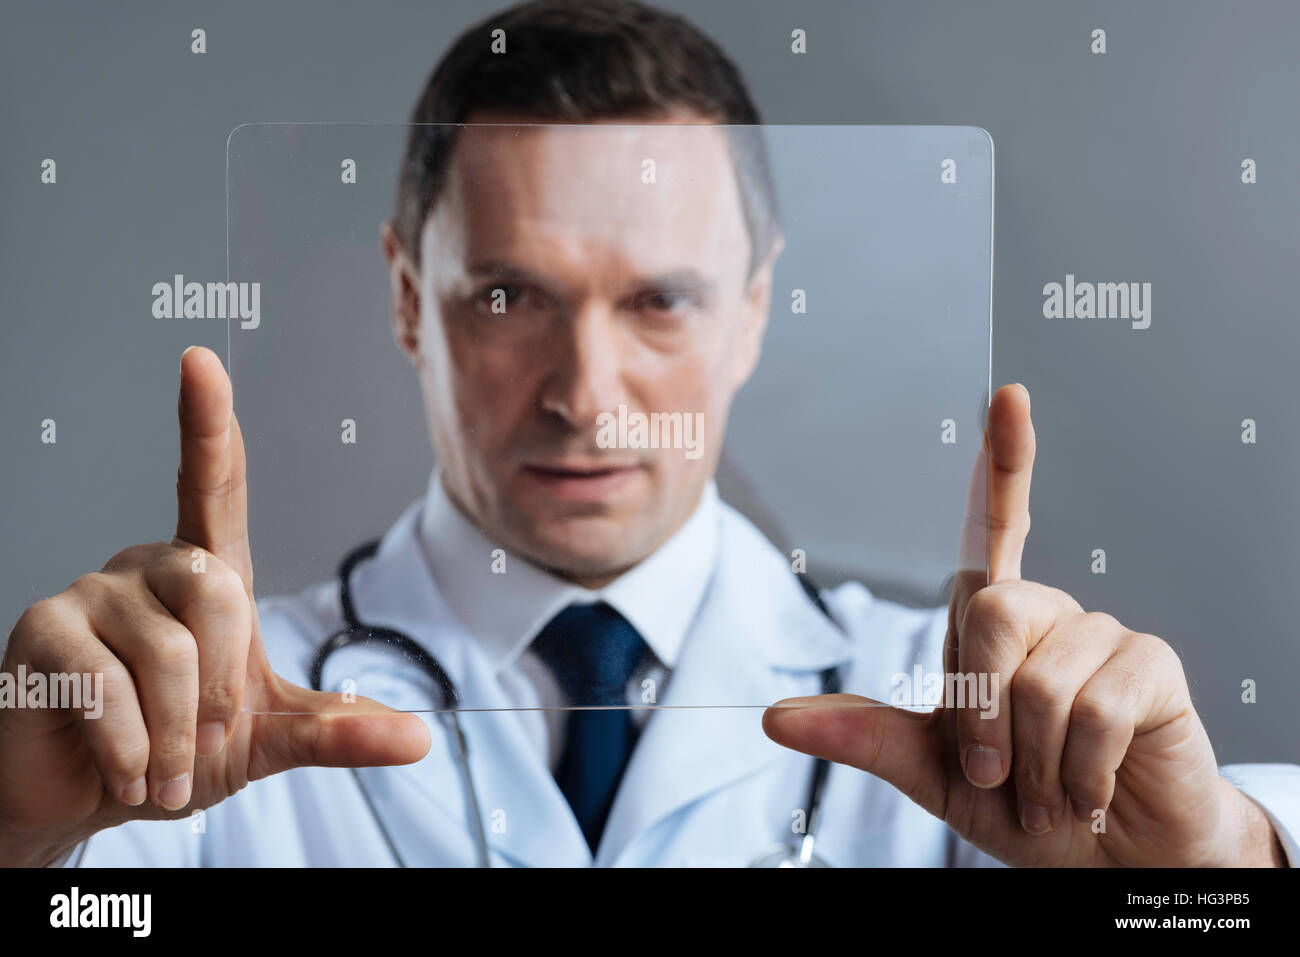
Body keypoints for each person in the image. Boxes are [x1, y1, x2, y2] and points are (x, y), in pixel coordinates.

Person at [2, 0, 1295, 868]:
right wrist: (13, 827)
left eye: (661, 300)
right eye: (510, 297)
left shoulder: (972, 728)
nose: (588, 390)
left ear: (753, 311)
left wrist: (1217, 875)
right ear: (407, 298)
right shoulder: (183, 739)